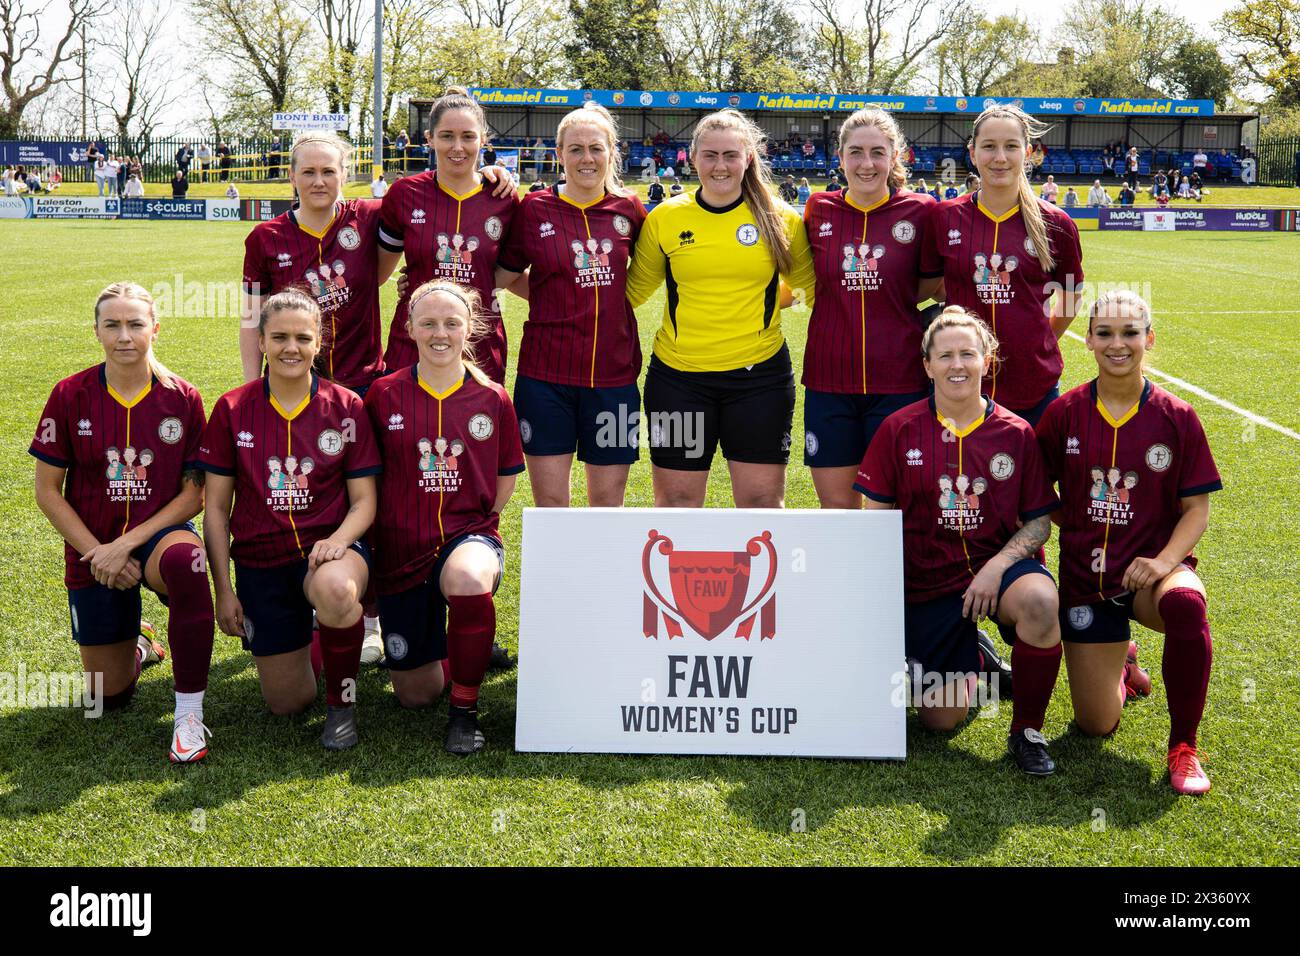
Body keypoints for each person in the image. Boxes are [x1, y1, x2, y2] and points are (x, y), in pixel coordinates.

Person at [855, 307, 1063, 775]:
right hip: (927, 586)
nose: (957, 365)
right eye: (945, 355)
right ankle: (980, 660)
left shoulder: (1016, 433)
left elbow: (1038, 524)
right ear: (927, 365)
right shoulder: (899, 428)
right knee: (940, 721)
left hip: (997, 575)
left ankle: (1027, 731)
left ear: (987, 360)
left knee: (1041, 602)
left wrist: (996, 568)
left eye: (968, 353)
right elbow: (874, 523)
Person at [1036, 291, 1221, 794]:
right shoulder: (1064, 414)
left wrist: (1163, 561)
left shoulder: (1177, 416)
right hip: (1086, 581)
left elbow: (1197, 510)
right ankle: (1124, 659)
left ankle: (1184, 747)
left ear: (1149, 339)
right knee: (1096, 726)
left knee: (1185, 604)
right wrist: (1070, 520)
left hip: (1153, 577)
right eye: (1105, 334)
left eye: (1130, 333)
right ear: (1088, 341)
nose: (1118, 345)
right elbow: (1034, 491)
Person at [30, 283, 215, 763]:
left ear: (155, 328)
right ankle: (138, 645)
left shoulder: (183, 398)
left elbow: (196, 493)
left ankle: (188, 714)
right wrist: (100, 552)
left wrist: (126, 545)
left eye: (135, 324)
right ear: (96, 331)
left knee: (188, 562)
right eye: (112, 324)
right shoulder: (70, 394)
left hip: (157, 538)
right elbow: (48, 491)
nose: (125, 336)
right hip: (92, 546)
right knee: (103, 700)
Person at [199, 290, 381, 750]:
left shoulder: (346, 407)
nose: (291, 348)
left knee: (335, 589)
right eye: (279, 337)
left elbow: (364, 502)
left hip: (330, 551)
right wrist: (224, 590)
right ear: (260, 341)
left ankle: (343, 705)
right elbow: (216, 509)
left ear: (319, 343)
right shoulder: (232, 408)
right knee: (288, 702)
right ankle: (318, 634)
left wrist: (338, 540)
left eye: (303, 337)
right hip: (262, 562)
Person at [626, 108, 815, 508]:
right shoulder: (665, 218)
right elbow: (632, 292)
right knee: (677, 503)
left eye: (731, 155)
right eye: (710, 155)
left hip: (759, 381)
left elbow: (813, 289)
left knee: (761, 504)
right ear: (692, 158)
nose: (720, 165)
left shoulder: (781, 219)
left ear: (748, 158)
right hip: (679, 381)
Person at [363, 281, 523, 753]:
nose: (440, 333)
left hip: (465, 536)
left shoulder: (492, 397)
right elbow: (366, 477)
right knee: (415, 696)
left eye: (452, 323)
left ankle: (465, 711)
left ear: (469, 328)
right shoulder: (382, 395)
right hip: (400, 550)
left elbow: (506, 476)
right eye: (428, 323)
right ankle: (463, 651)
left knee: (470, 579)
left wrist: (479, 525)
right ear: (409, 328)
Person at [495, 101, 647, 508]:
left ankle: (603, 575)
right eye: (575, 149)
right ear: (558, 154)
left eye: (596, 148)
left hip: (613, 379)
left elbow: (653, 272)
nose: (586, 158)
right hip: (545, 378)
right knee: (551, 505)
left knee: (608, 505)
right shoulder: (534, 208)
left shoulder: (629, 208)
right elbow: (502, 277)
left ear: (611, 152)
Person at [922, 104, 1084, 427]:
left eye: (1011, 146)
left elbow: (1070, 297)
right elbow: (929, 285)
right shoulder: (943, 217)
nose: (1000, 157)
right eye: (989, 146)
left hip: (1034, 387)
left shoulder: (1057, 223)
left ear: (1028, 152)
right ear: (972, 152)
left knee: (1033, 478)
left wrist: (1039, 340)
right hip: (961, 386)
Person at [378, 86, 520, 384]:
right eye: (447, 136)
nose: (458, 146)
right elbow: (377, 273)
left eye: (468, 136)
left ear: (483, 139)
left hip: (480, 344)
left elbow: (511, 272)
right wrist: (414, 278)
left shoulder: (504, 198)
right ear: (429, 139)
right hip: (412, 340)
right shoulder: (405, 194)